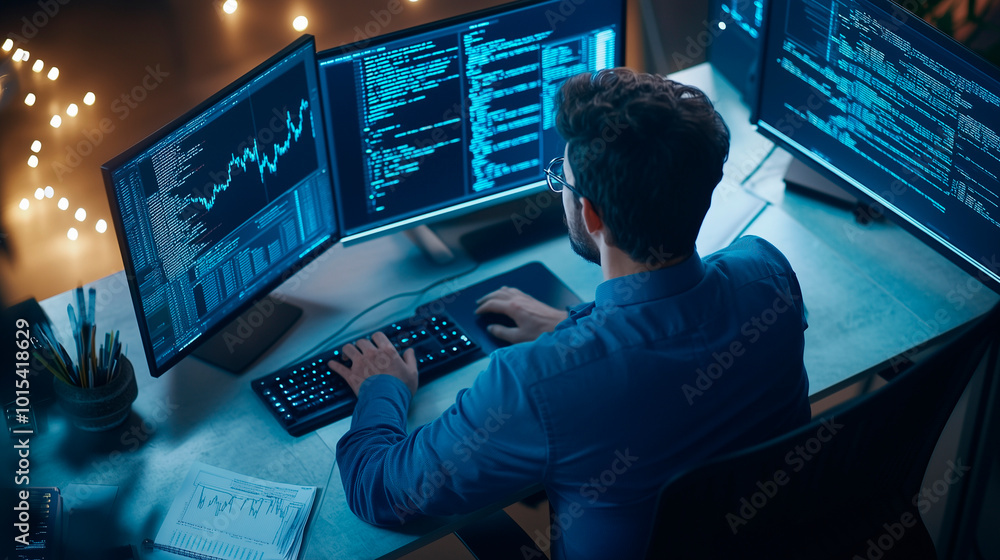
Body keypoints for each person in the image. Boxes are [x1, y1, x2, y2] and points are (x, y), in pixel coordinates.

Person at [329, 68, 810, 559]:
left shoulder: (534, 387)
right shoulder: (769, 278)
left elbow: (383, 493)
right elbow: (668, 355)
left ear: (592, 215)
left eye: (563, 180)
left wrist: (381, 386)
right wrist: (572, 326)